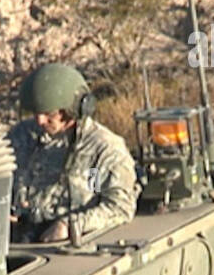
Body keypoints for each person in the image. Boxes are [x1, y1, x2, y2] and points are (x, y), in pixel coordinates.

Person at [9, 63, 137, 242]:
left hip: (66, 246)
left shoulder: (103, 150)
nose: (40, 120)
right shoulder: (22, 136)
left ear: (73, 108)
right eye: (36, 113)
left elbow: (120, 208)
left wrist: (71, 225)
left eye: (49, 114)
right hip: (17, 241)